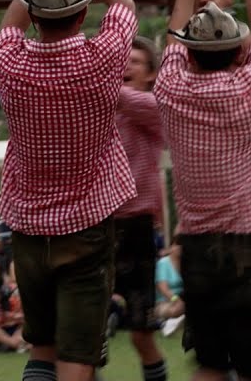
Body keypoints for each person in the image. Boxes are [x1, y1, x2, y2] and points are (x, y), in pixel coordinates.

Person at [0, 0, 137, 381]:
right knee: (77, 356)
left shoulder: (10, 64)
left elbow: (10, 24)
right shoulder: (103, 59)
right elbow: (124, 4)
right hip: (87, 229)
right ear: (82, 14)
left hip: (29, 232)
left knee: (43, 348)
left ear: (37, 18)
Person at [154, 0, 251, 381]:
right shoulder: (250, 88)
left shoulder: (170, 88)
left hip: (198, 249)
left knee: (209, 363)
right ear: (236, 50)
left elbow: (172, 43)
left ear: (189, 52)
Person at [112, 34, 169, 381]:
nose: (123, 68)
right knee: (80, 335)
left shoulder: (154, 107)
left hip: (136, 229)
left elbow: (128, 99)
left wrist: (97, 76)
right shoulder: (102, 110)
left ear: (151, 75)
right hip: (97, 225)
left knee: (140, 334)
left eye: (132, 62)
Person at [154, 244, 184, 336]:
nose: (179, 248)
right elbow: (163, 288)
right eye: (176, 245)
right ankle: (166, 322)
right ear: (170, 248)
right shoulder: (163, 263)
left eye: (181, 246)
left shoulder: (186, 263)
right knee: (181, 308)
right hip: (165, 302)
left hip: (183, 299)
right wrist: (176, 300)